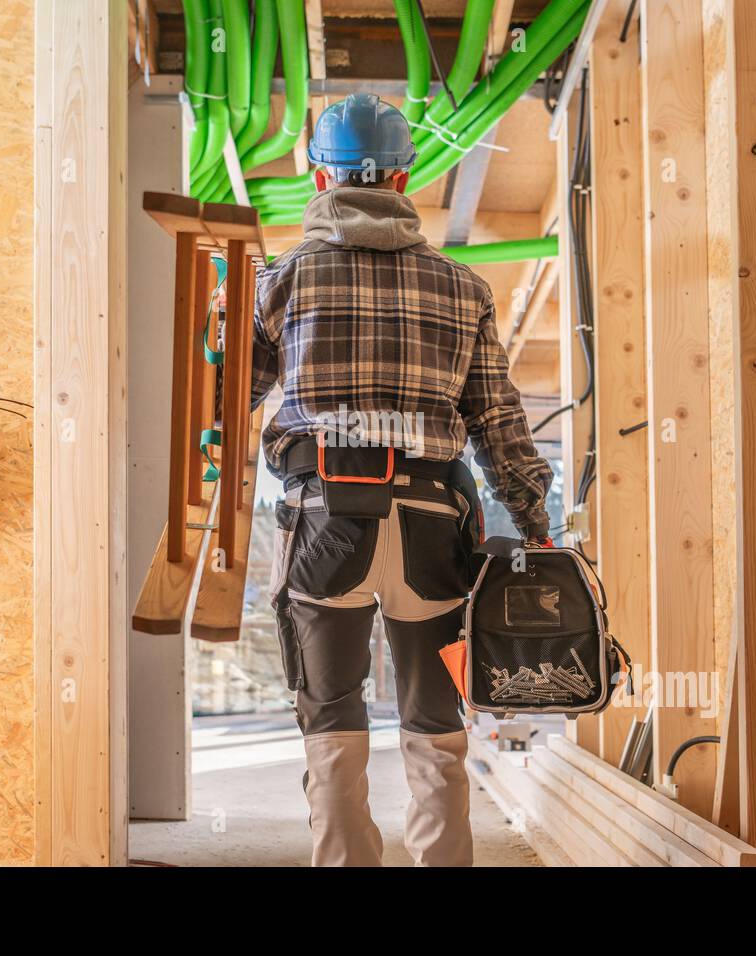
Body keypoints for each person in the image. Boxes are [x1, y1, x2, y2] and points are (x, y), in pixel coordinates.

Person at [250, 93, 553, 867]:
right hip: (431, 527)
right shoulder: (462, 287)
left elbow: (233, 398)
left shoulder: (281, 280)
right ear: (403, 175)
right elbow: (498, 421)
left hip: (324, 525)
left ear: (320, 176)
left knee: (330, 711)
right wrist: (532, 513)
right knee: (436, 719)